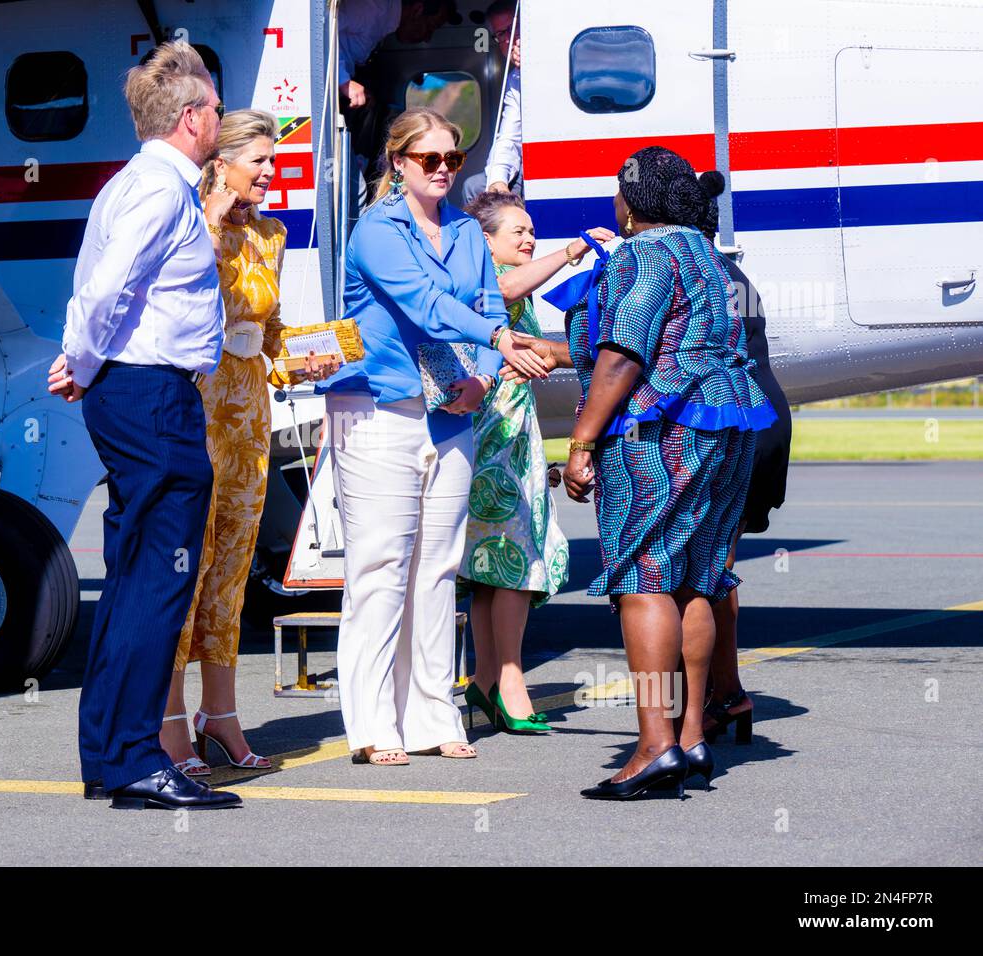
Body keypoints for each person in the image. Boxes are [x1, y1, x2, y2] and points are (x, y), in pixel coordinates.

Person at [526, 146, 777, 799]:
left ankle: (653, 744)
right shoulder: (706, 255)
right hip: (733, 429)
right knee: (698, 580)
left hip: (660, 435)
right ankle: (691, 732)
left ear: (631, 202)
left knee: (643, 583)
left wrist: (581, 442)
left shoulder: (642, 254)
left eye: (618, 191)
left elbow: (621, 357)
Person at [316, 107, 551, 766]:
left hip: (452, 415)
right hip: (380, 410)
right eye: (430, 160)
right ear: (399, 163)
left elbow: (483, 302)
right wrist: (500, 340)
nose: (445, 170)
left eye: (453, 158)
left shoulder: (465, 232)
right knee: (380, 568)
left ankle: (431, 712)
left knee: (437, 570)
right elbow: (424, 303)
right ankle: (372, 723)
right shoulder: (376, 231)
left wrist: (481, 373)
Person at [49, 41, 239, 812]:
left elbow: (92, 282)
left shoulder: (132, 185)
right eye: (217, 111)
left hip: (136, 392)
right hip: (151, 395)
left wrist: (83, 360)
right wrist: (85, 359)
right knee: (160, 582)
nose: (222, 121)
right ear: (192, 118)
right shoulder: (161, 193)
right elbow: (105, 288)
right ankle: (134, 758)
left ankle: (109, 753)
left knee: (134, 581)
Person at [160, 110, 340, 776]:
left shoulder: (269, 235)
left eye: (274, 159)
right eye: (259, 160)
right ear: (221, 162)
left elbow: (271, 335)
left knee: (233, 563)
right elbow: (175, 292)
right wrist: (211, 212)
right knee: (189, 561)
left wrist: (305, 358)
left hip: (247, 412)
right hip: (193, 404)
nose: (271, 171)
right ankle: (169, 721)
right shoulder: (186, 226)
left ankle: (222, 714)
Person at [458, 190, 613, 733]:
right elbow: (506, 288)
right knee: (514, 556)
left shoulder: (504, 284)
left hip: (508, 427)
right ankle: (510, 680)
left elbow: (538, 338)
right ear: (486, 241)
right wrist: (573, 250)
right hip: (493, 429)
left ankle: (485, 678)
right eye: (516, 232)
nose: (528, 239)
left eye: (530, 231)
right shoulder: (488, 279)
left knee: (492, 562)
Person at [701, 203, 793, 743]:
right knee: (717, 568)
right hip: (761, 418)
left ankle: (716, 699)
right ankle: (726, 692)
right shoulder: (729, 272)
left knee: (703, 573)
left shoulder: (692, 273)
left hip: (736, 426)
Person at [338, 0, 458, 109]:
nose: (427, 38)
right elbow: (322, 26)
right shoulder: (373, 7)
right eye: (430, 27)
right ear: (417, 10)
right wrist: (344, 82)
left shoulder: (385, 21)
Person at [463, 0, 523, 204]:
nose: (509, 39)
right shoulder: (515, 78)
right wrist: (498, 182)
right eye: (501, 35)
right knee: (476, 187)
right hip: (533, 163)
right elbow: (509, 136)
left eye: (513, 29)